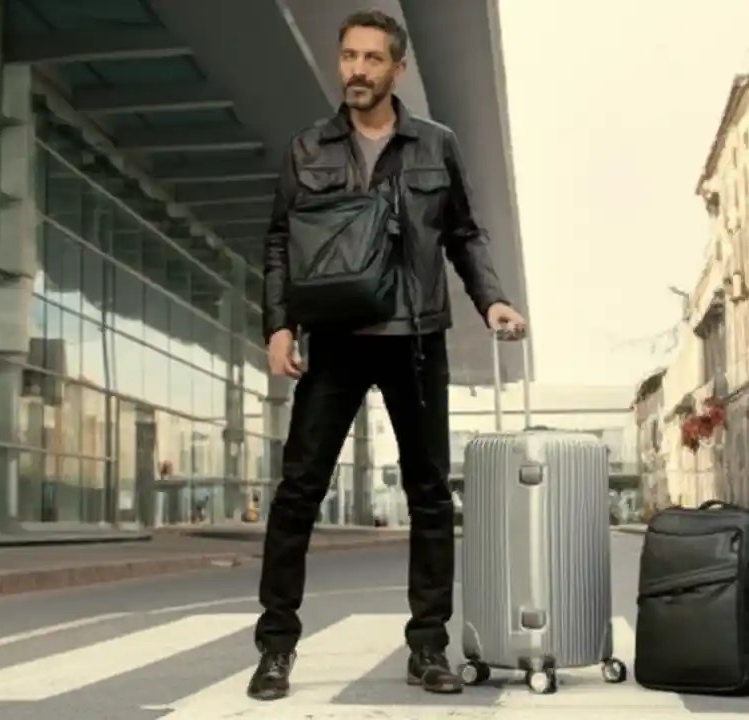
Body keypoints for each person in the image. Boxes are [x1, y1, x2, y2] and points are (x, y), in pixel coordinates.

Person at [246, 9, 527, 702]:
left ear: (398, 69)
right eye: (349, 56)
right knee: (297, 493)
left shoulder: (435, 145)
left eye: (372, 59)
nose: (358, 70)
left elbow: (464, 233)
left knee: (428, 496)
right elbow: (280, 240)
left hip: (417, 338)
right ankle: (275, 648)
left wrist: (492, 300)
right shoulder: (308, 147)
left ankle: (427, 646)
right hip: (336, 340)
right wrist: (279, 327)